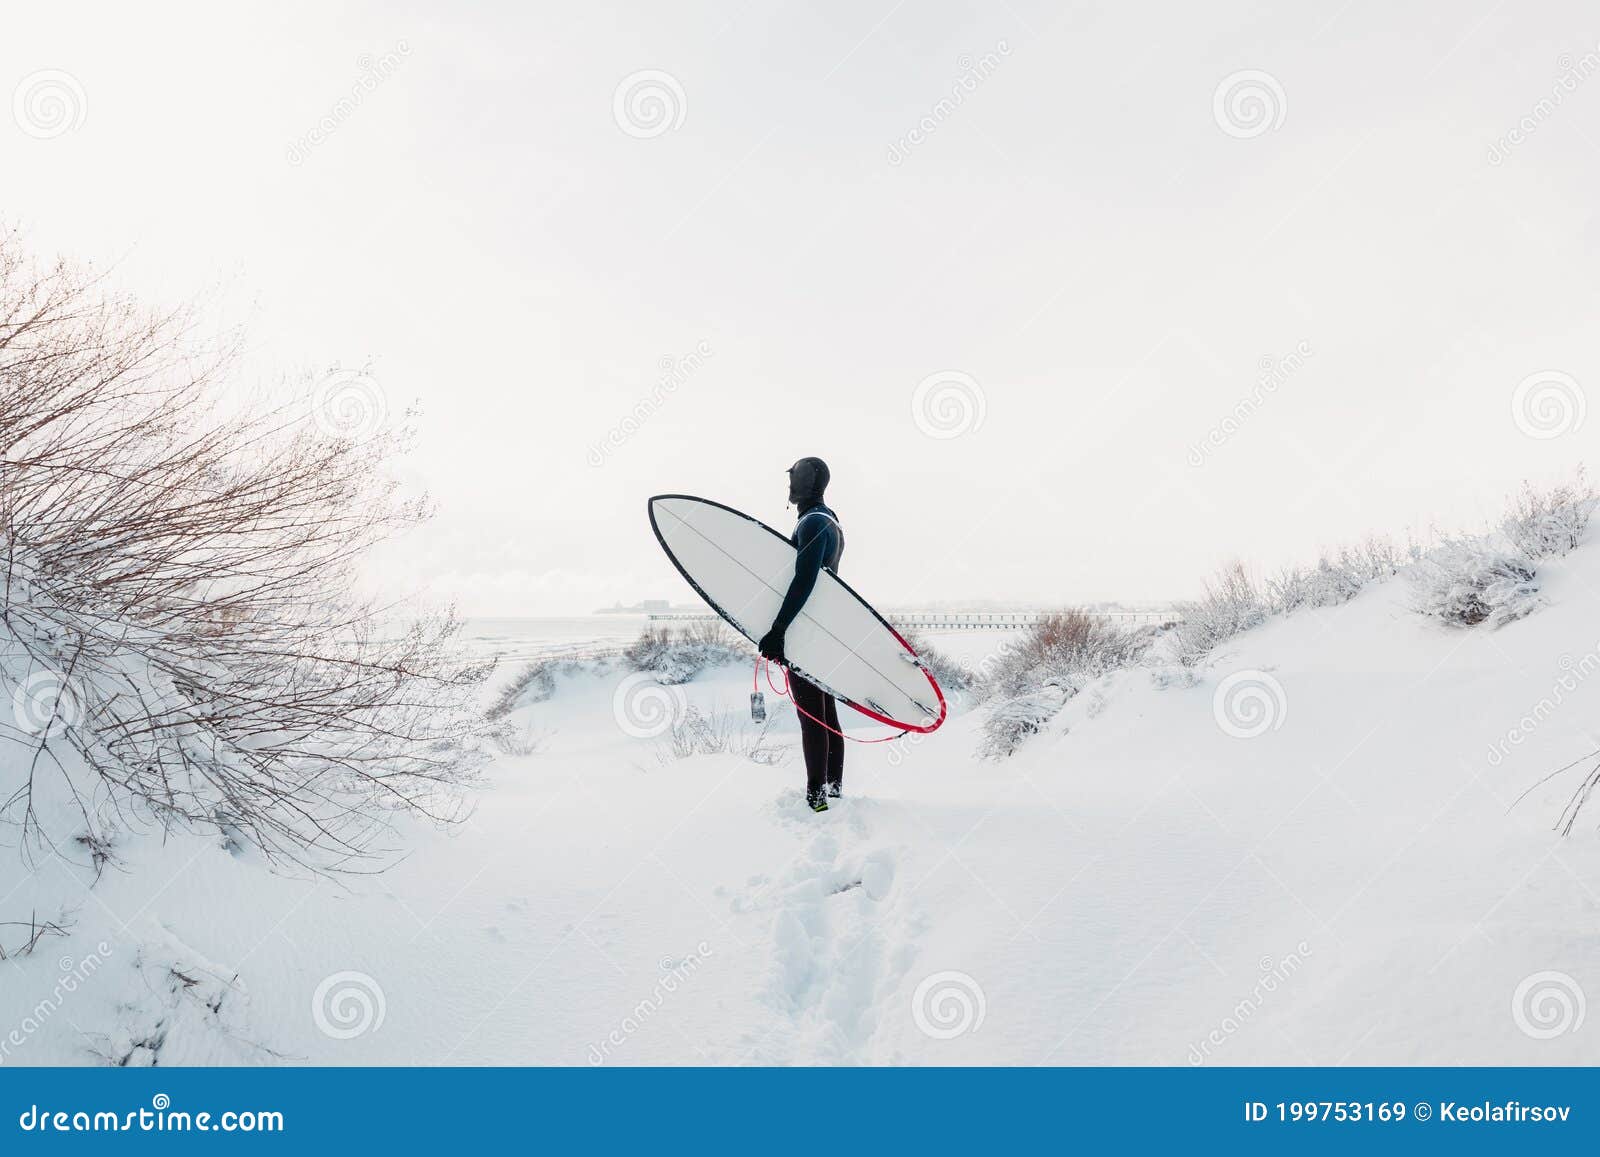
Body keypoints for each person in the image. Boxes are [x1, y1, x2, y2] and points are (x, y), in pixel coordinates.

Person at [757, 457, 845, 813]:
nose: (790, 485)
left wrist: (778, 631)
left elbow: (804, 580)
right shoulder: (832, 522)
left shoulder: (812, 524)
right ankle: (834, 789)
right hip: (823, 632)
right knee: (827, 716)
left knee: (812, 718)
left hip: (806, 634)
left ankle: (816, 798)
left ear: (807, 484)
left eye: (795, 479)